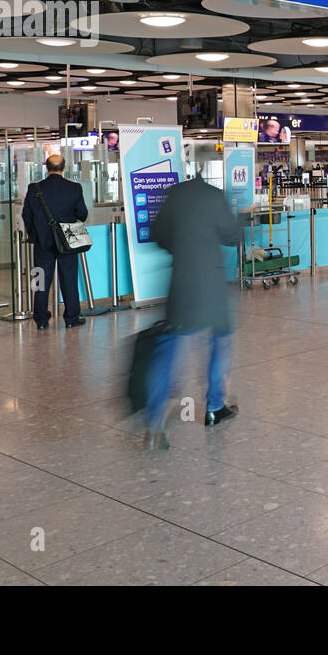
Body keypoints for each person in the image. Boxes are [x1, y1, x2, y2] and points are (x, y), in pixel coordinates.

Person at [143, 174, 242, 450]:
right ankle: (214, 408)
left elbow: (158, 235)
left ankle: (154, 424)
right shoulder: (214, 195)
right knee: (219, 341)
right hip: (210, 284)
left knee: (167, 348)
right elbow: (233, 236)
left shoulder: (173, 195)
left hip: (181, 283)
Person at [21, 154, 89, 330]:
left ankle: (41, 319)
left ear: (46, 167)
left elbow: (26, 215)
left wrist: (35, 233)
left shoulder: (34, 188)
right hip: (67, 241)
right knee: (69, 278)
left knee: (41, 280)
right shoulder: (74, 188)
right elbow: (82, 213)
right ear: (64, 168)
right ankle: (72, 317)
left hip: (42, 243)